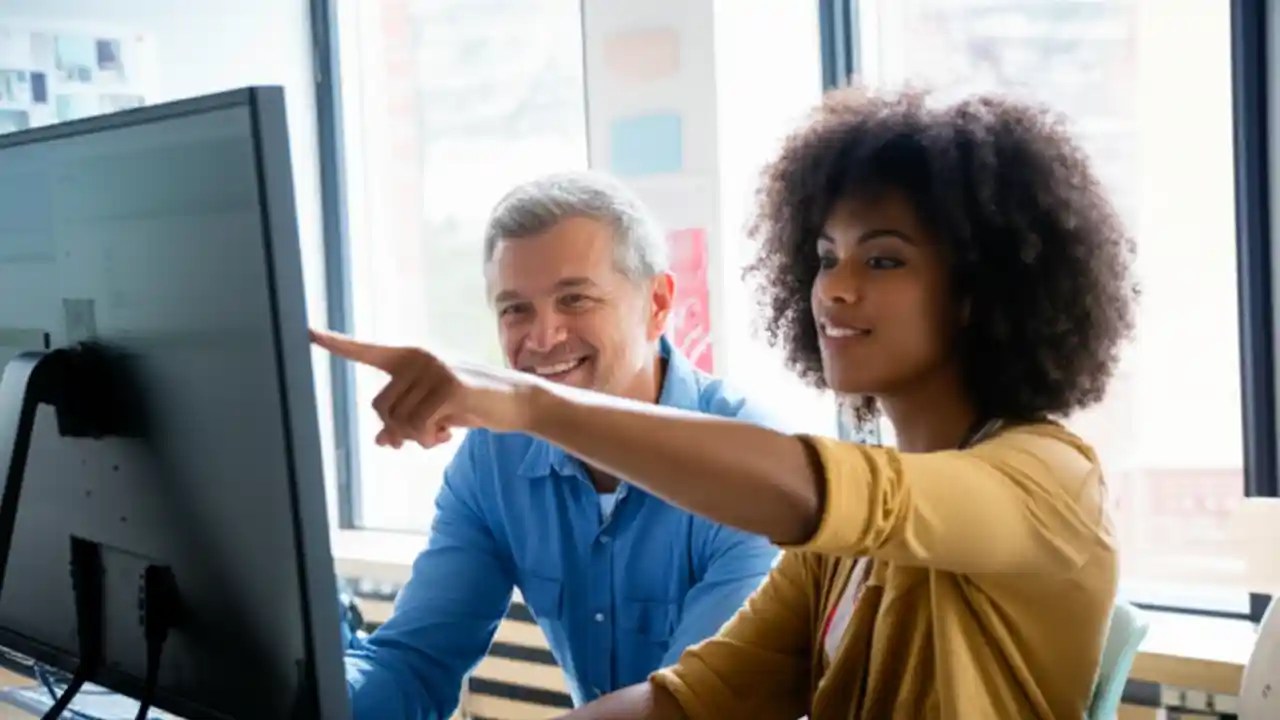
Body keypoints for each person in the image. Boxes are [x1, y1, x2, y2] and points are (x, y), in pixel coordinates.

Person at [316, 87, 1136, 719]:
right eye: (826, 258)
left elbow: (841, 496)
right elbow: (693, 701)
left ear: (978, 293)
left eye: (883, 261)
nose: (834, 290)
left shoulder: (1049, 479)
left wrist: (529, 404)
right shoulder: (839, 549)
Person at [340, 172, 782, 718]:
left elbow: (696, 705)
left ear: (658, 303)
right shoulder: (494, 457)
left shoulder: (753, 459)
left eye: (575, 299)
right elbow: (415, 664)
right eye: (515, 309)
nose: (543, 337)